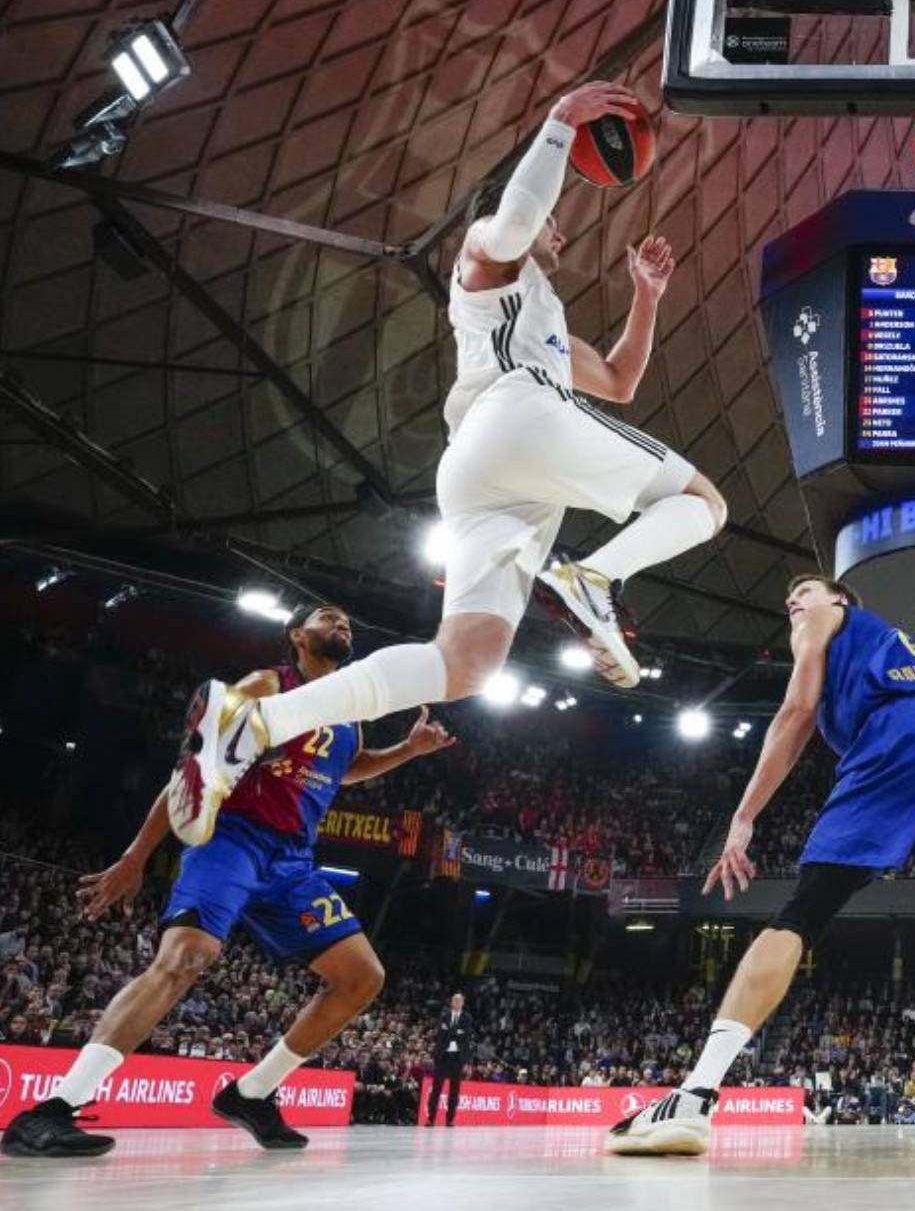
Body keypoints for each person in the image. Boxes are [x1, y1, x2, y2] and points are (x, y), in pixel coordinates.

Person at [168, 79, 726, 848]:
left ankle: (254, 722)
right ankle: (595, 578)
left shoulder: (550, 322)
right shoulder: (487, 268)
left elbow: (623, 383)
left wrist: (648, 297)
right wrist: (562, 123)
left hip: (486, 474)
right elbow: (518, 219)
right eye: (551, 223)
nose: (556, 234)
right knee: (702, 503)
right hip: (515, 418)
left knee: (467, 666)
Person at [605, 575, 915, 1157]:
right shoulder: (903, 649)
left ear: (842, 599)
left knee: (803, 912)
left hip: (906, 734)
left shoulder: (824, 622)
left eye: (803, 590)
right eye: (790, 598)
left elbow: (797, 710)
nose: (792, 602)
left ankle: (694, 1099)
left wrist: (745, 816)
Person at [2, 605, 457, 1158]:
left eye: (348, 623)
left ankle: (252, 1094)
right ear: (296, 635)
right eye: (328, 618)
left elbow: (349, 765)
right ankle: (51, 1111)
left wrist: (407, 751)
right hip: (232, 841)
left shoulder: (349, 709)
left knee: (362, 977)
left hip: (292, 862)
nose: (344, 625)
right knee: (184, 959)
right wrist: (136, 855)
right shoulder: (268, 684)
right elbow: (196, 768)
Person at [427, 990, 476, 1126]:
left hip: (457, 1058)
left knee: (454, 1091)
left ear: (463, 1003)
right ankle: (431, 1118)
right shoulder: (444, 1016)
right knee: (436, 1089)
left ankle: (450, 1120)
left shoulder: (467, 1018)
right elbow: (441, 1035)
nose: (456, 1003)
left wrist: (450, 1032)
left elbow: (465, 1038)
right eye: (454, 1000)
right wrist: (456, 1033)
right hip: (442, 1057)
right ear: (451, 1002)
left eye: (459, 1000)